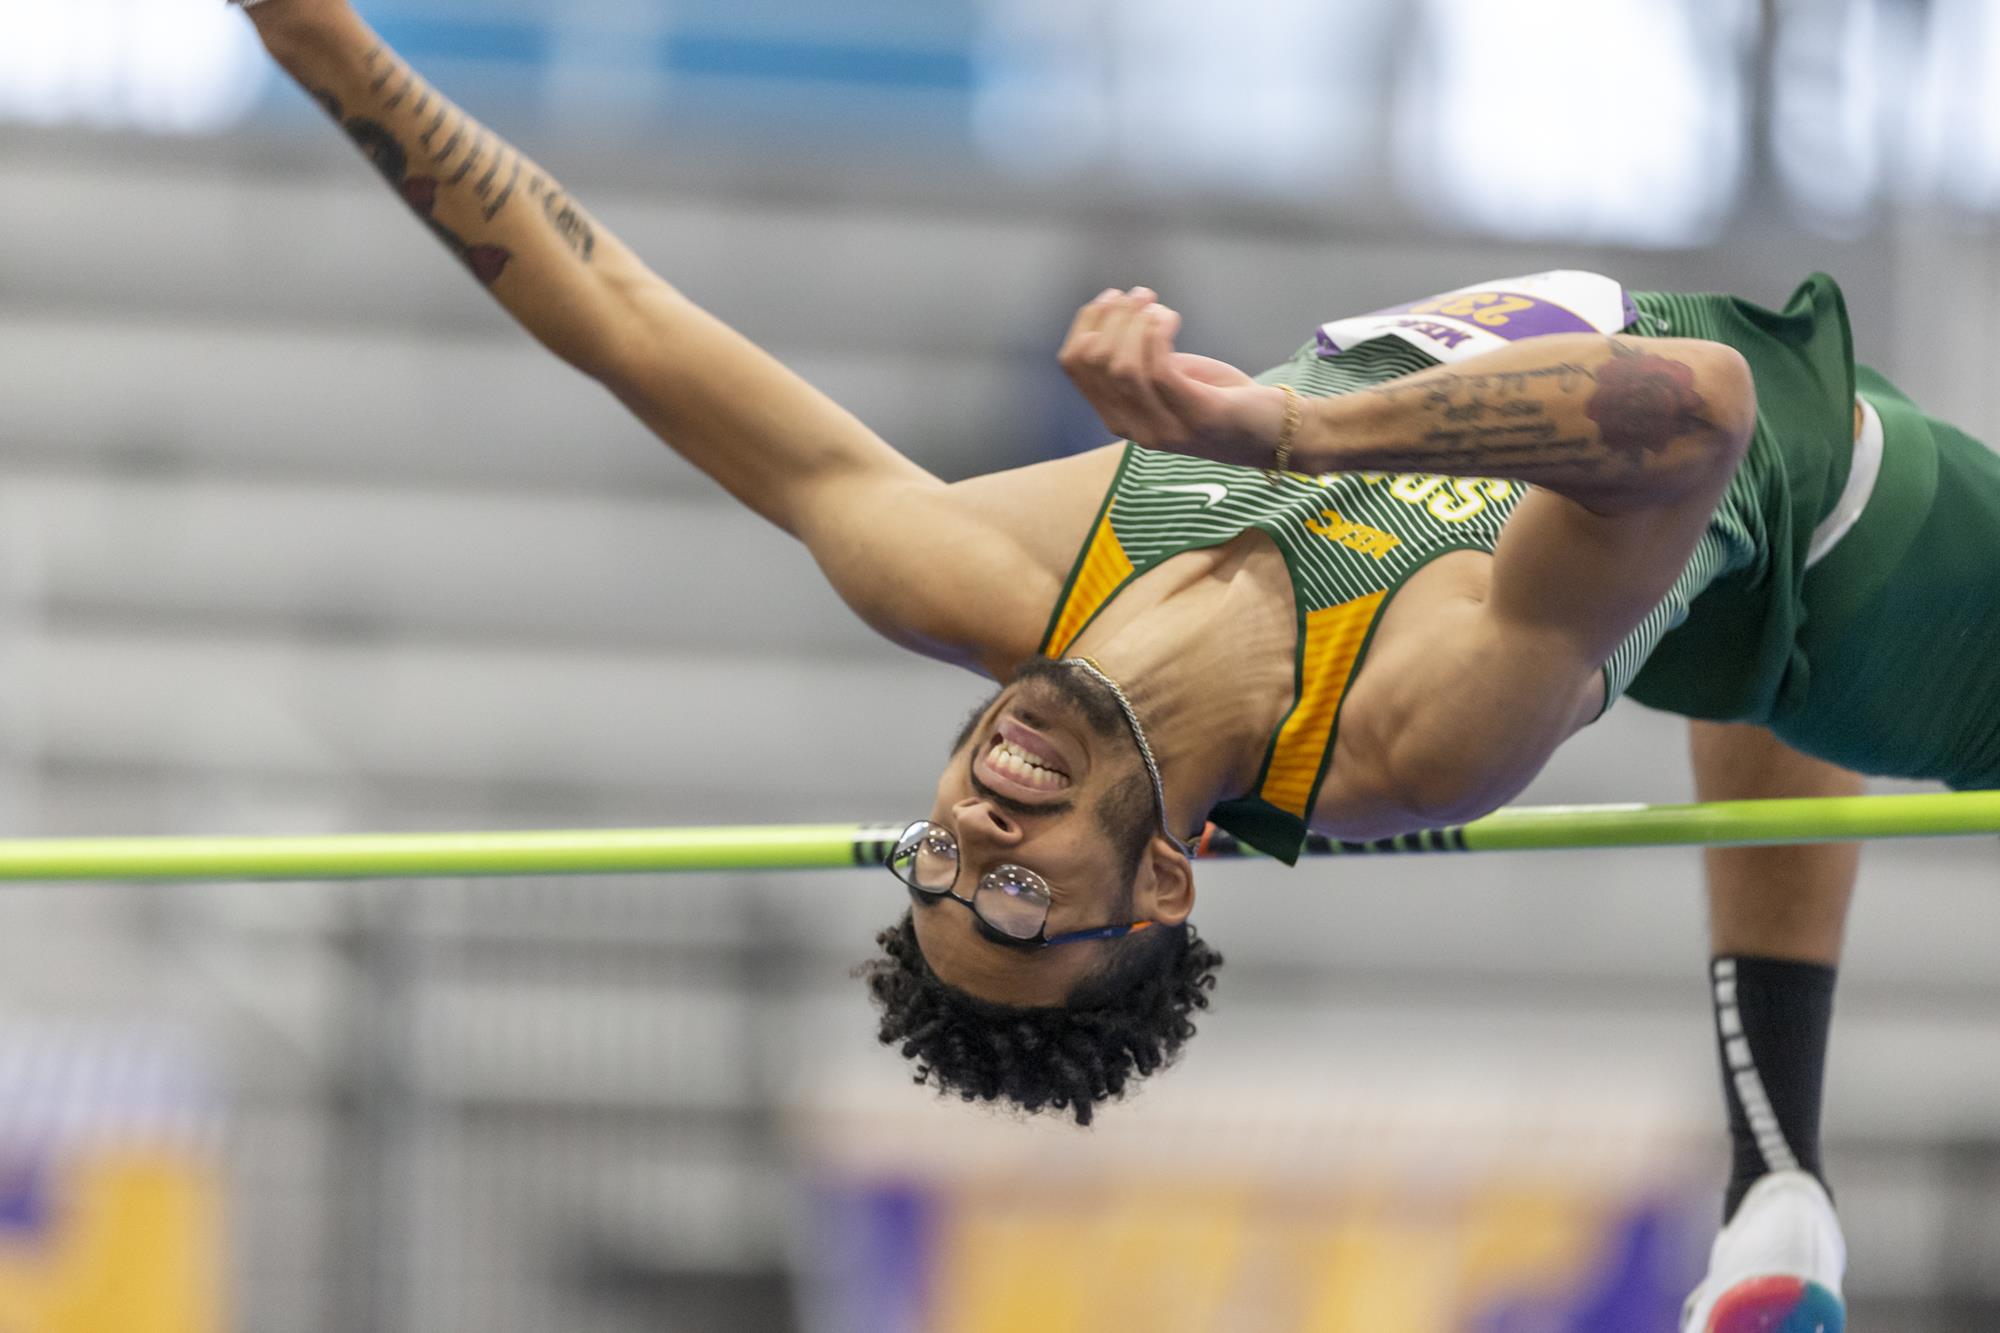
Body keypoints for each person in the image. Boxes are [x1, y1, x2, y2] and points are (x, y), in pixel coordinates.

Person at [231, 2, 2000, 1327]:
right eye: (1015, 900)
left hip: (1751, 608)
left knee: (1741, 669)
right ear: (1163, 879)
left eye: (934, 865)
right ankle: (1778, 1186)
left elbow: (621, 319)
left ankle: (1776, 1186)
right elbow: (1695, 412)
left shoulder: (988, 572)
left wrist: (322, 47)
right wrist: (1294, 433)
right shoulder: (1408, 733)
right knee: (1768, 659)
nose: (973, 836)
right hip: (1901, 575)